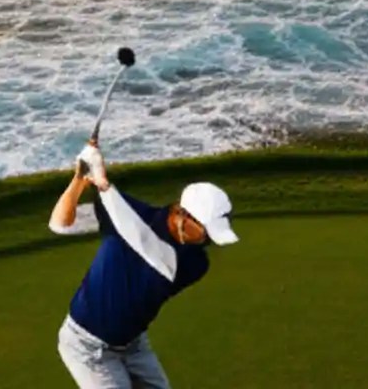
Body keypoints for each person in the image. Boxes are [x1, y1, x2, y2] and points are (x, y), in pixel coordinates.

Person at [48, 141, 238, 388]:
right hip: (86, 346)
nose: (207, 240)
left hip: (133, 346)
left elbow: (147, 246)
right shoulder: (133, 213)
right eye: (205, 231)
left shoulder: (195, 262)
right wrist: (81, 178)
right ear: (182, 215)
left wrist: (106, 187)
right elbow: (60, 224)